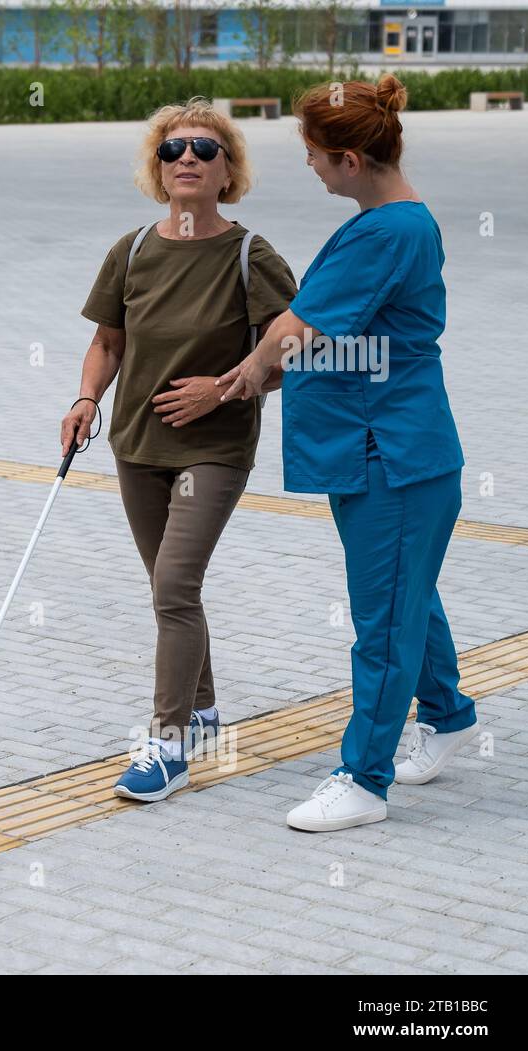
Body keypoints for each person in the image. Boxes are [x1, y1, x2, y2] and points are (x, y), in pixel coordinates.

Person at [219, 74, 478, 832]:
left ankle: (362, 780)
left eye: (314, 155)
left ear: (350, 161)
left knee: (383, 619)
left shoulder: (388, 232)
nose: (309, 166)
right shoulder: (394, 220)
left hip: (392, 456)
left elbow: (295, 329)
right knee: (408, 594)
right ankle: (450, 712)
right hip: (386, 449)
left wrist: (239, 381)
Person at [63, 98, 297, 802]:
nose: (186, 159)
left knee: (173, 588)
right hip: (136, 444)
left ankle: (167, 747)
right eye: (172, 150)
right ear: (158, 169)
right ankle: (202, 713)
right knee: (172, 591)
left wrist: (222, 391)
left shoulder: (253, 255)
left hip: (216, 450)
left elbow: (285, 353)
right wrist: (84, 401)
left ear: (229, 170)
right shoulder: (132, 250)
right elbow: (108, 341)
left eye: (203, 148)